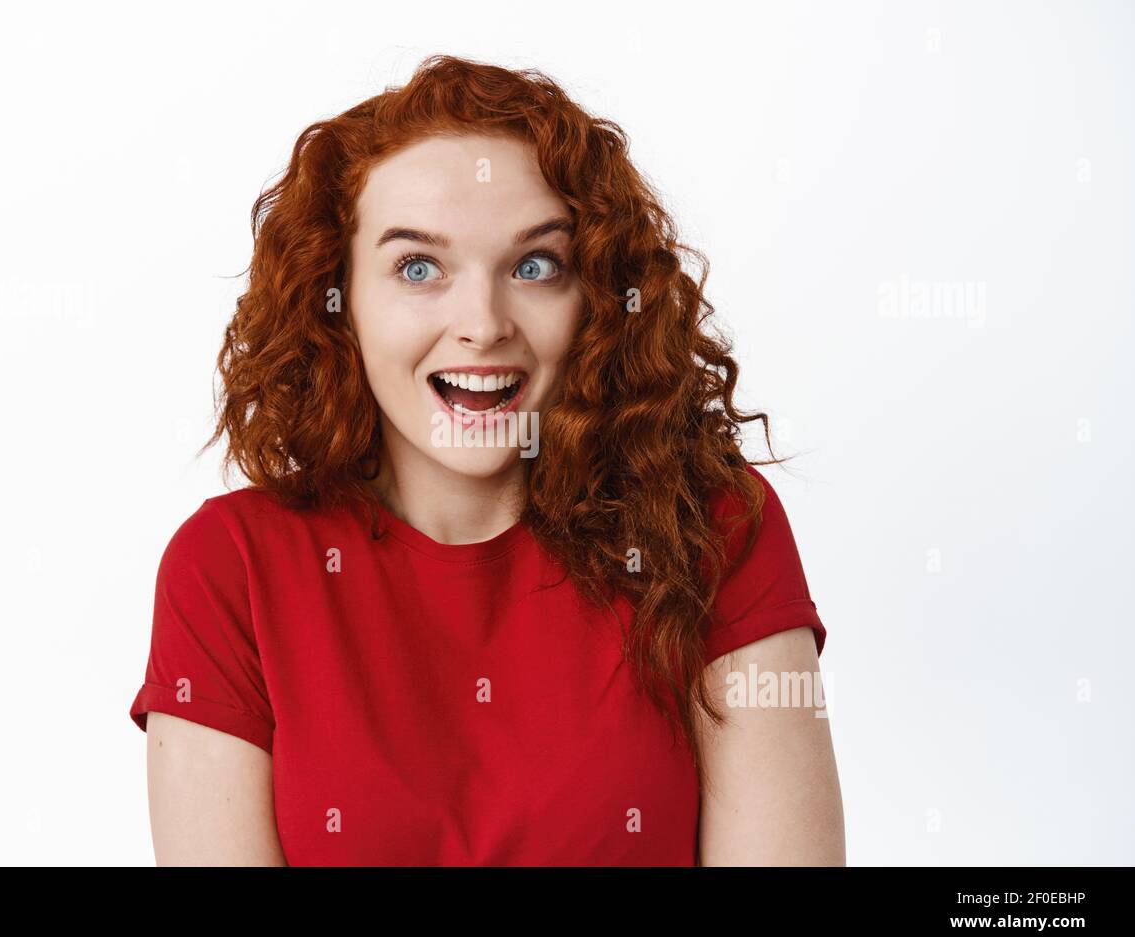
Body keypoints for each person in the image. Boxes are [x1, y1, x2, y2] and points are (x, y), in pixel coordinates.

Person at [128, 54, 845, 866]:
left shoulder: (714, 527)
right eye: (418, 268)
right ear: (339, 300)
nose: (482, 323)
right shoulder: (230, 568)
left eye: (535, 266)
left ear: (597, 298)